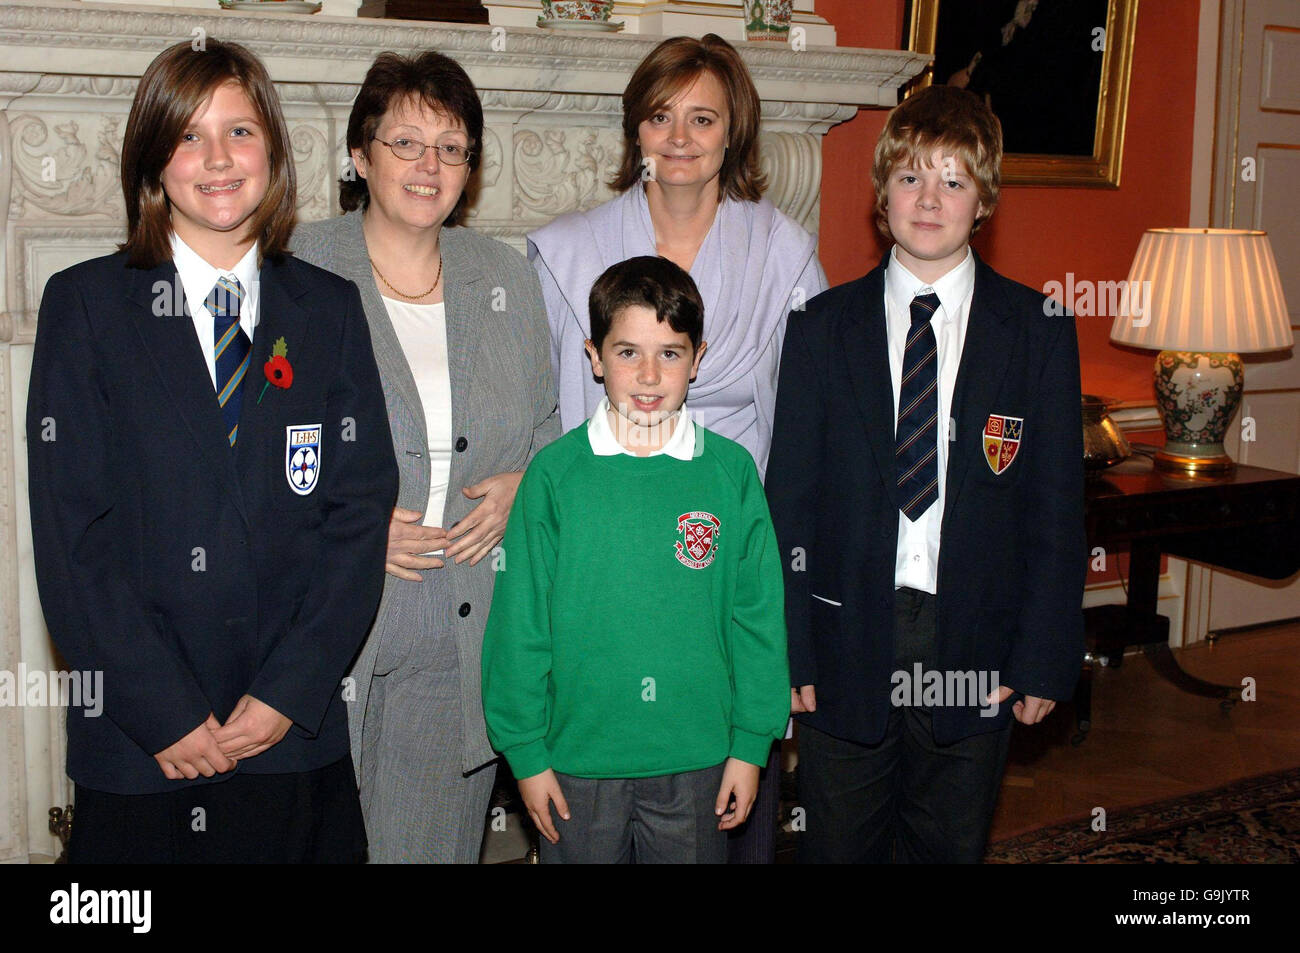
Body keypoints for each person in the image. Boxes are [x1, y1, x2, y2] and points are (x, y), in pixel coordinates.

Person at [26, 40, 397, 863]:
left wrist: (285, 693)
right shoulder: (86, 307)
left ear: (273, 150)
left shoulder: (329, 309)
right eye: (188, 136)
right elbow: (72, 543)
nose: (218, 159)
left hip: (291, 737)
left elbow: (360, 512)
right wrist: (163, 712)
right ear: (153, 161)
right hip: (142, 745)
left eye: (239, 131)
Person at [765, 85, 1085, 863]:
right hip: (846, 639)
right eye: (910, 178)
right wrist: (789, 650)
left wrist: (1044, 652)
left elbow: (1056, 509)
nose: (930, 199)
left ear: (984, 201)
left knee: (948, 843)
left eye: (953, 180)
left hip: (976, 639)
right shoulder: (820, 328)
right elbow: (790, 504)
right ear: (882, 198)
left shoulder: (1037, 331)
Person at [528, 32, 825, 863]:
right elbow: (543, 403)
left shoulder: (784, 252)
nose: (682, 139)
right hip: (605, 542)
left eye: (705, 117)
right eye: (661, 117)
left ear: (736, 133)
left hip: (725, 545)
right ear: (636, 130)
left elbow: (810, 420)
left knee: (720, 802)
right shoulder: (568, 249)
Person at [293, 51, 559, 863]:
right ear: (359, 153)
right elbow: (252, 455)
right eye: (404, 142)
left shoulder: (503, 274)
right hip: (318, 623)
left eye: (451, 146)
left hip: (459, 626)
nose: (428, 165)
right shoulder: (296, 268)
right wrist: (352, 531)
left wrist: (525, 485)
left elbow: (550, 426)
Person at [481, 255, 789, 864]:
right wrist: (527, 754)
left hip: (699, 759)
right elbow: (520, 625)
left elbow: (758, 621)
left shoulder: (730, 475)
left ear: (697, 359)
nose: (648, 374)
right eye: (627, 352)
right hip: (576, 764)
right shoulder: (555, 475)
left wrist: (751, 745)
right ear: (594, 358)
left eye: (670, 353)